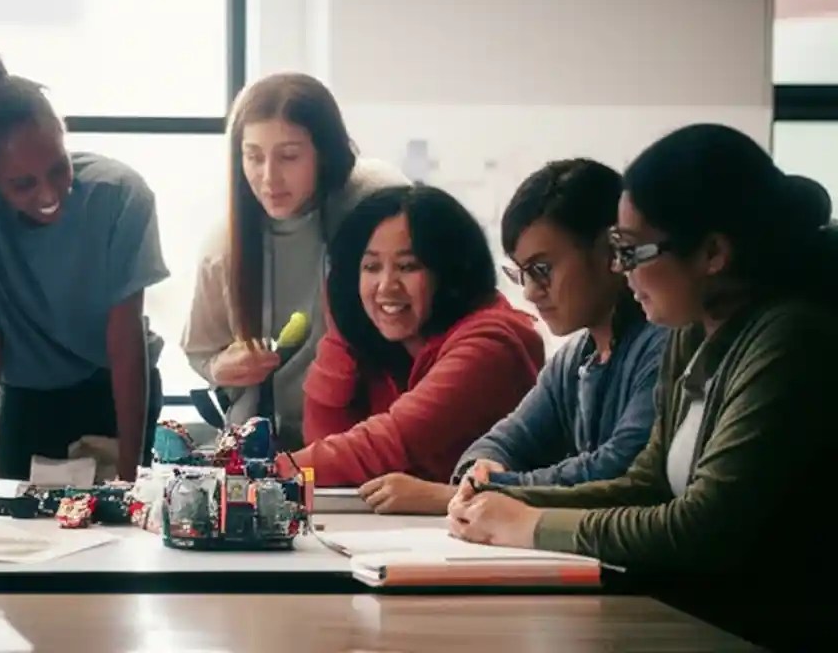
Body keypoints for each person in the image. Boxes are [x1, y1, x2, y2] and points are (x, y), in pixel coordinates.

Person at [447, 124, 838, 650]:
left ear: (713, 253)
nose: (622, 272)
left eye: (631, 253)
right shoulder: (691, 332)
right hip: (692, 621)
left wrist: (530, 524)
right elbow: (646, 483)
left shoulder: (789, 340)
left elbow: (702, 527)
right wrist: (501, 494)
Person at [357, 159, 666, 513]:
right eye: (523, 273)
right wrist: (483, 471)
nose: (532, 292)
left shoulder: (663, 346)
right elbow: (500, 442)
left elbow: (616, 471)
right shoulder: (575, 359)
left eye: (542, 269)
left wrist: (464, 494)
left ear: (610, 252)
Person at [0, 49, 169, 483]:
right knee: (22, 531)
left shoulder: (120, 195)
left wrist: (130, 475)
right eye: (23, 184)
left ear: (64, 136)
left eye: (58, 168)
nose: (48, 193)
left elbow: (125, 339)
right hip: (29, 395)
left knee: (113, 529)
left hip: (114, 385)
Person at [181, 73, 404, 451]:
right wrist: (222, 368)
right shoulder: (225, 244)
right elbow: (201, 350)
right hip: (268, 447)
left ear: (326, 153)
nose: (269, 178)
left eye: (288, 156)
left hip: (368, 437)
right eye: (253, 157)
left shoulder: (375, 203)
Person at [278, 185, 545, 487]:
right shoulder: (388, 342)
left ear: (448, 273)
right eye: (370, 267)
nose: (386, 286)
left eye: (407, 266)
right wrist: (343, 325)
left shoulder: (492, 345)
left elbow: (388, 443)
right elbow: (324, 442)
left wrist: (261, 473)